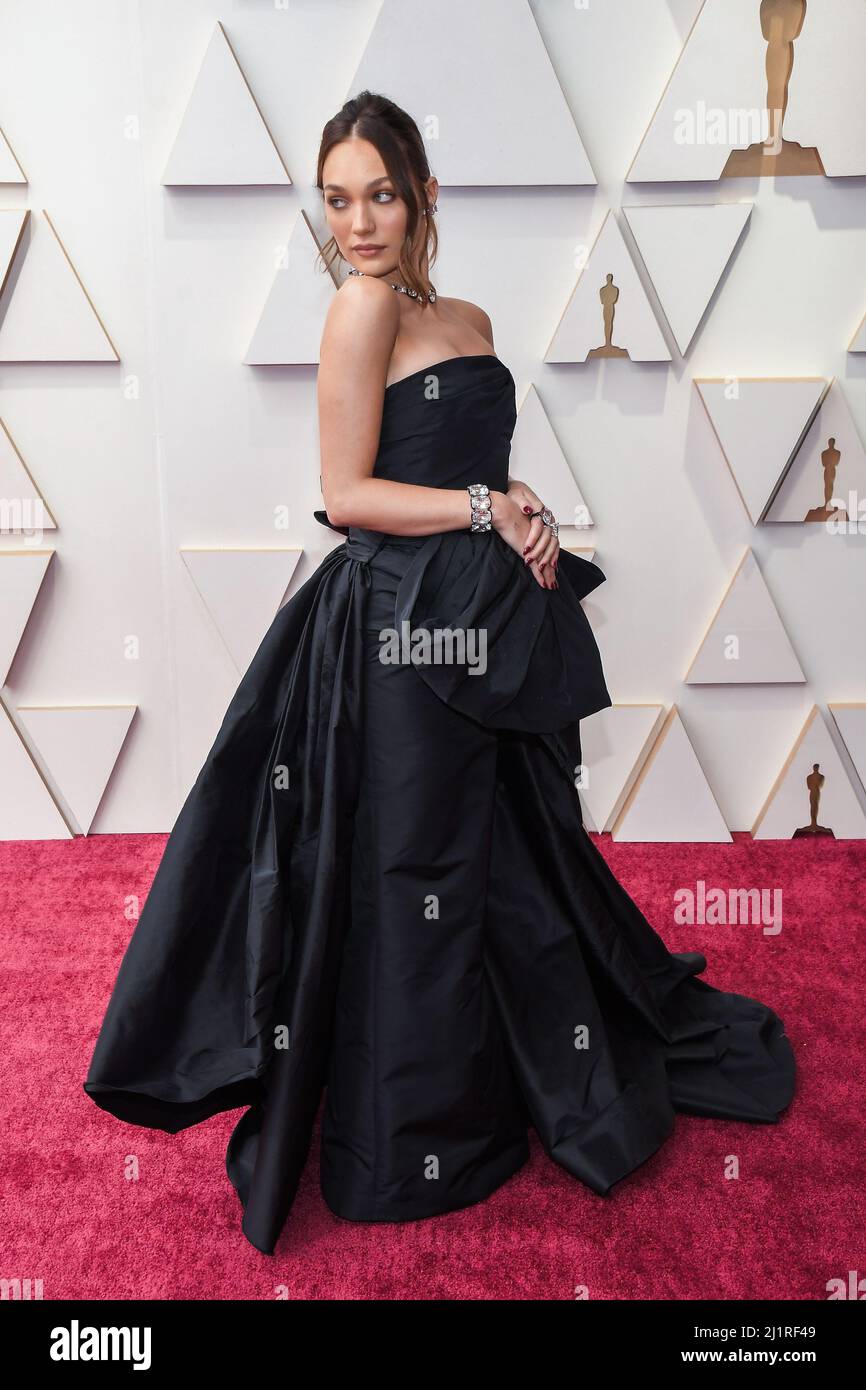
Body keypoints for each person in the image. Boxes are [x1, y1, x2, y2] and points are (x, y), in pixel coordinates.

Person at [83, 91, 796, 1256]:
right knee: (414, 865)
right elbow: (350, 495)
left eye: (377, 194)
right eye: (335, 200)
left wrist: (517, 517)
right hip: (393, 635)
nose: (356, 223)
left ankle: (508, 1078)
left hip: (476, 619)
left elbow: (469, 471)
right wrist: (477, 508)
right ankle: (412, 1135)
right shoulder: (357, 311)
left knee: (503, 859)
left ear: (420, 198)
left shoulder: (455, 312)